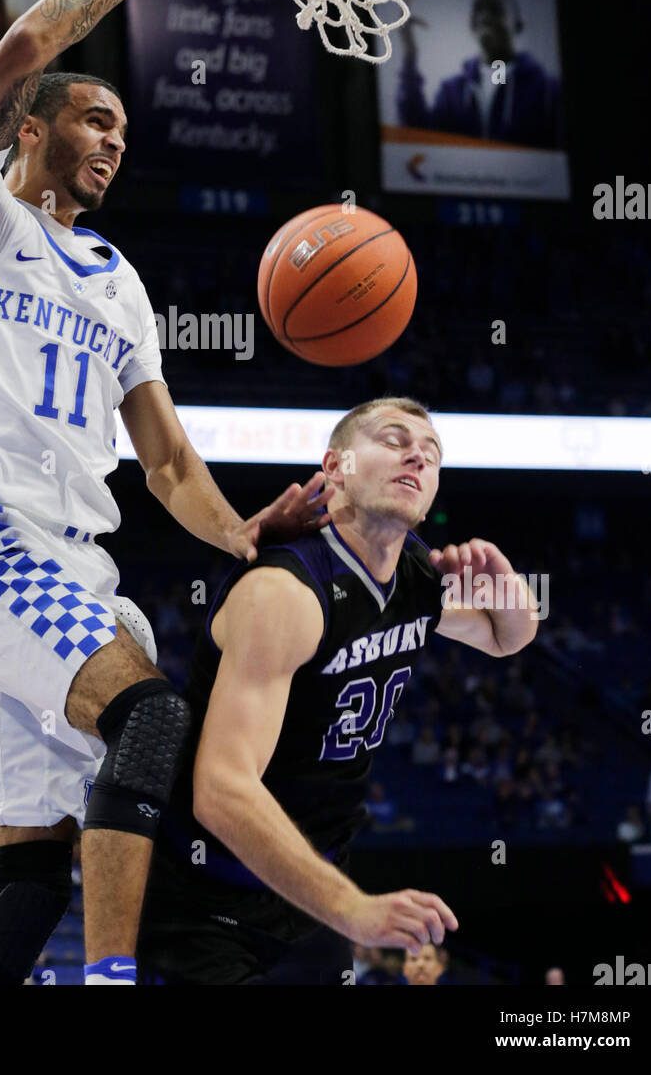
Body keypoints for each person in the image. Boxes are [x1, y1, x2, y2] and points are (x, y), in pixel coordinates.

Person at [0, 0, 330, 988]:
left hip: (77, 567)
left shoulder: (117, 280)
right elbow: (23, 45)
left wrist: (242, 534)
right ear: (29, 128)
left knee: (29, 883)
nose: (114, 140)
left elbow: (169, 464)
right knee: (152, 715)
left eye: (125, 131)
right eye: (96, 118)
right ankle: (115, 980)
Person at [138, 397, 540, 984]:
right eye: (394, 440)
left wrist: (508, 588)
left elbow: (507, 638)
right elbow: (221, 791)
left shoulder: (417, 576)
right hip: (205, 900)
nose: (417, 457)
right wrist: (353, 907)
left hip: (310, 896)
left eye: (431, 454)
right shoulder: (285, 591)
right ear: (335, 466)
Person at [397, 0, 561, 147]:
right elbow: (420, 133)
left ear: (518, 25)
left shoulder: (548, 91)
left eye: (496, 10)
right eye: (478, 10)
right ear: (471, 24)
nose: (484, 17)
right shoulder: (452, 92)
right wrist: (410, 56)